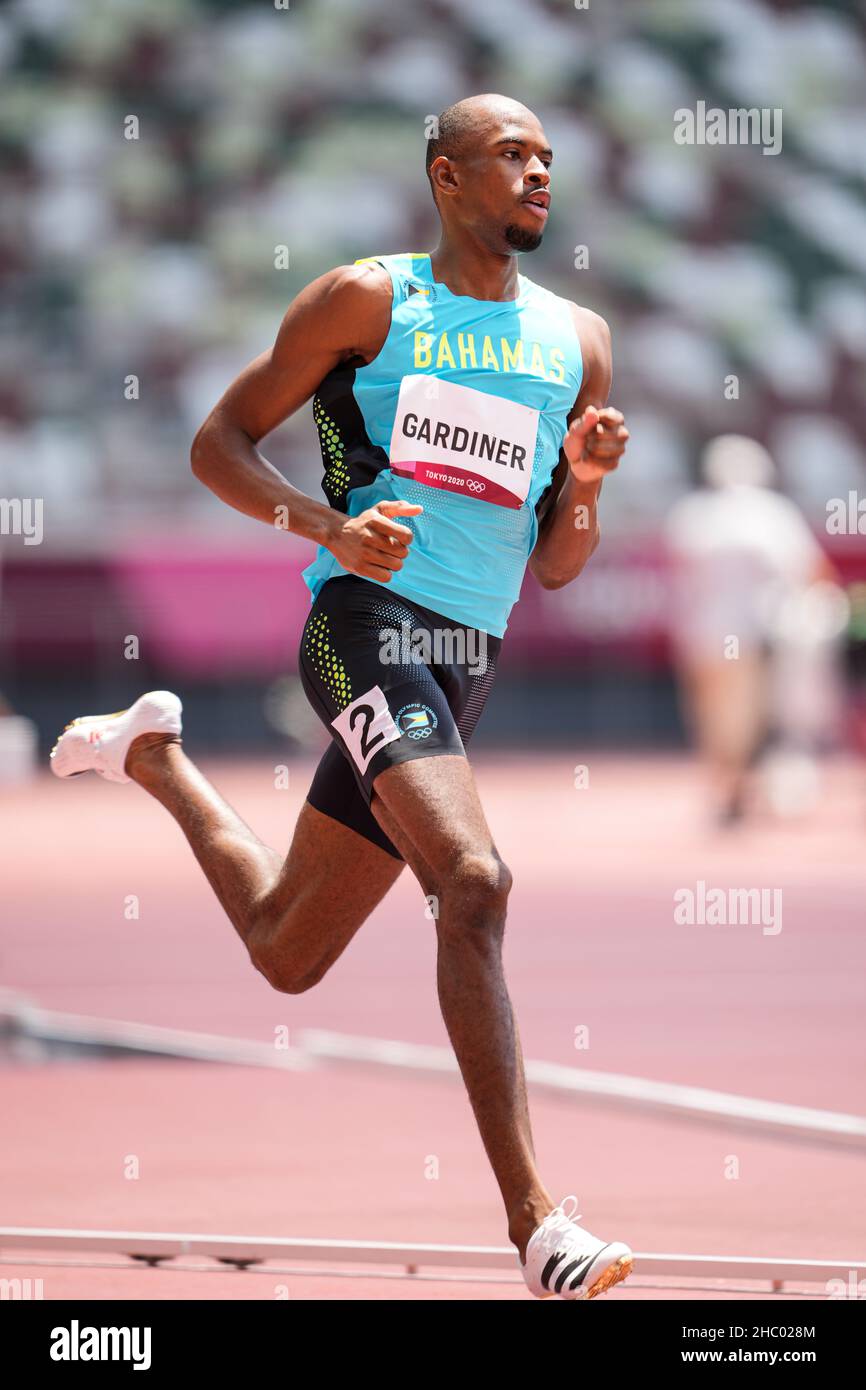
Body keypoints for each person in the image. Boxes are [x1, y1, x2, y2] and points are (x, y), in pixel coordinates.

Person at [50, 95, 632, 1299]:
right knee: (470, 881)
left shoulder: (576, 339)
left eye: (546, 159)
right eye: (510, 155)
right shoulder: (365, 301)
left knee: (286, 951)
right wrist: (328, 528)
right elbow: (219, 442)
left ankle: (152, 758)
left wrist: (577, 483)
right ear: (445, 177)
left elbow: (559, 562)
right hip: (359, 629)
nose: (537, 173)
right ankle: (537, 1225)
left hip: (469, 656)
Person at [665, 435, 836, 823]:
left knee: (718, 720)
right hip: (749, 635)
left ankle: (731, 791)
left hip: (707, 636)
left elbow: (680, 584)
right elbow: (812, 571)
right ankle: (737, 791)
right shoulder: (773, 515)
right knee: (746, 719)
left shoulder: (692, 515)